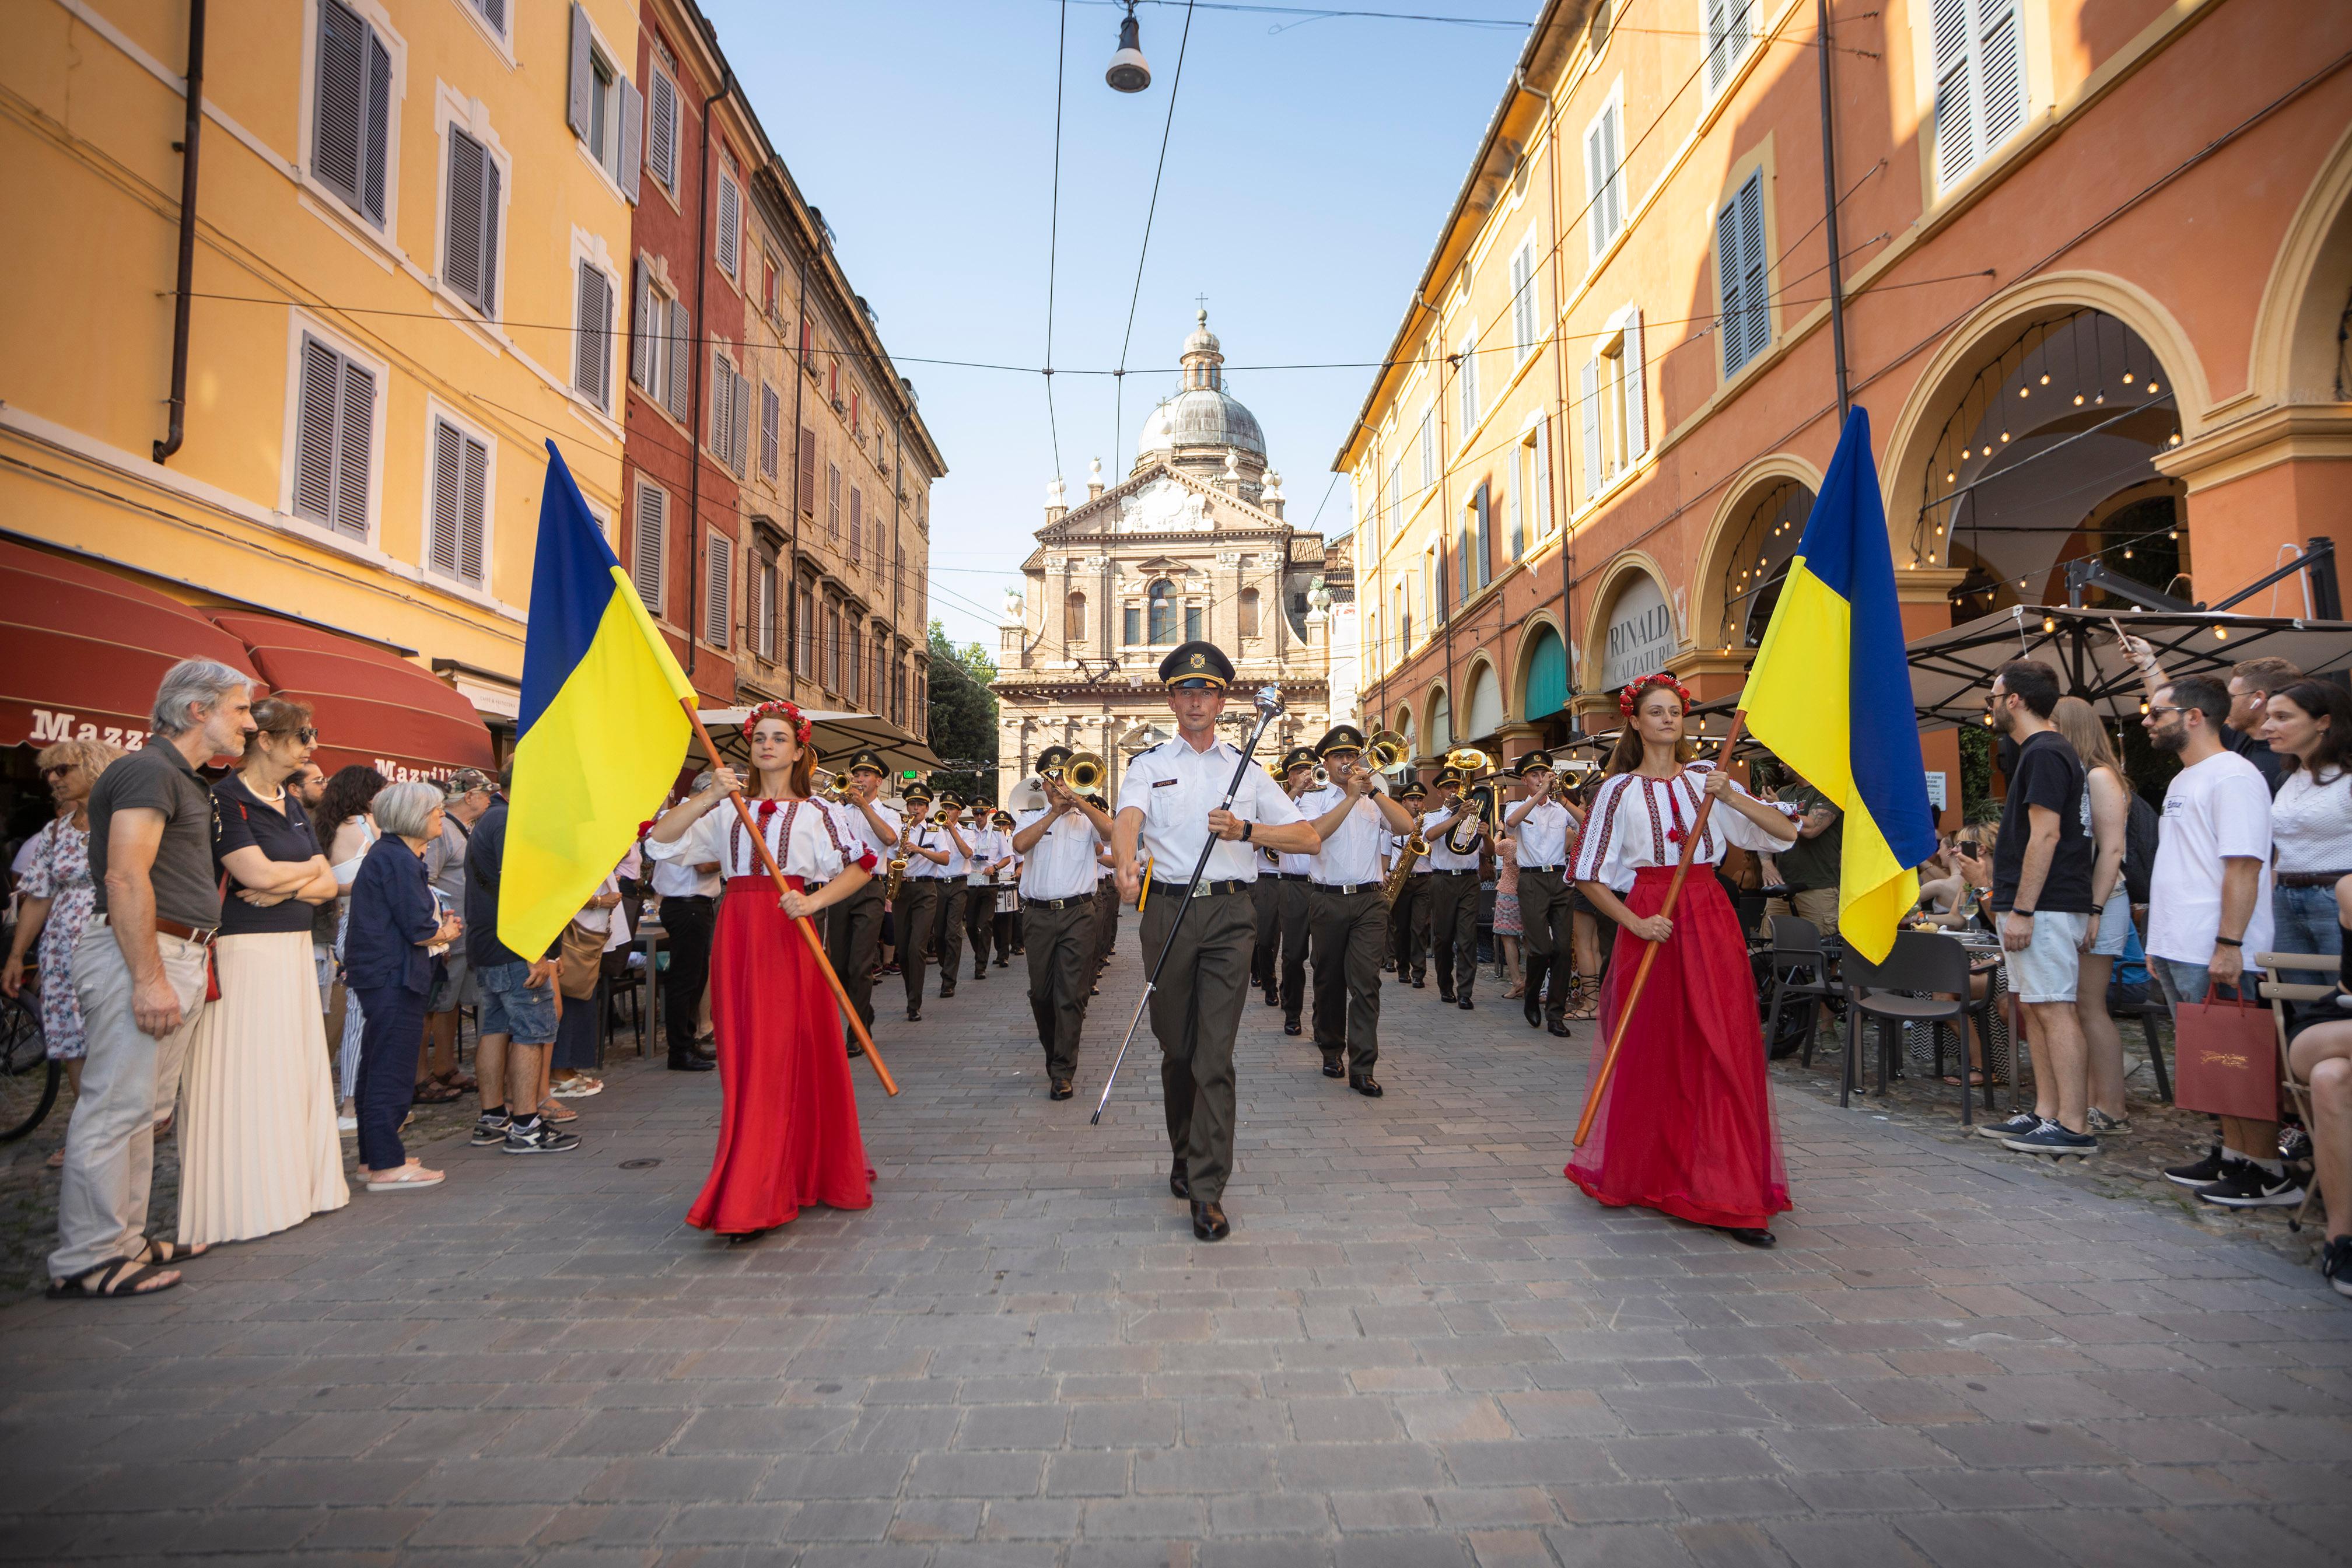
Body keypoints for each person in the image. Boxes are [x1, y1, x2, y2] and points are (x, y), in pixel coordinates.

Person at [1566, 673, 1800, 1247]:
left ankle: (1728, 1190)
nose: (1669, 719)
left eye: (1675, 711)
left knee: (1722, 1045)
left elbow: (1784, 833)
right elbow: (1587, 875)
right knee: (1656, 1049)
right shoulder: (1616, 792)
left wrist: (1732, 796)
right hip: (1650, 919)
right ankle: (1657, 1175)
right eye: (1657, 711)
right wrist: (1635, 923)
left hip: (1709, 915)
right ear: (1635, 721)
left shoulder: (1707, 780)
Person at [48, 659, 254, 1298]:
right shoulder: (148, 771)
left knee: (141, 1112)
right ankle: (88, 1259)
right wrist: (148, 978)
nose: (250, 723)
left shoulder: (177, 777)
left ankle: (125, 1242)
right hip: (143, 952)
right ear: (198, 710)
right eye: (241, 708)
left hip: (171, 951)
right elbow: (124, 875)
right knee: (115, 1110)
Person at [645, 700, 878, 1239]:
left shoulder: (820, 812)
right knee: (743, 1060)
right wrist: (709, 795)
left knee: (778, 1057)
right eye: (759, 739)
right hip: (737, 933)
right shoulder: (728, 809)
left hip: (789, 933)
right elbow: (658, 842)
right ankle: (768, 1175)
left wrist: (813, 902)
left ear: (798, 752)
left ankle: (756, 1191)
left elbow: (863, 867)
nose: (767, 746)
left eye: (779, 738)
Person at [1112, 642, 1317, 1241]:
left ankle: (1207, 1188)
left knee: (1213, 1055)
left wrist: (1247, 829)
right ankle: (1184, 1151)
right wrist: (1125, 862)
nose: (1196, 701)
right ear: (1172, 700)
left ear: (1222, 702)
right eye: (1185, 691)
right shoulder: (1148, 763)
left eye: (1206, 692)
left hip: (1230, 914)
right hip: (1166, 911)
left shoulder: (1247, 770)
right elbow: (1128, 818)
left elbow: (1307, 838)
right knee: (1177, 1049)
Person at [180, 697, 350, 1238]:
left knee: (292, 1072)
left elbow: (328, 882)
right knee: (253, 1076)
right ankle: (253, 1198)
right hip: (246, 954)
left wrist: (286, 887)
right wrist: (302, 877)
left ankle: (297, 1189)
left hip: (293, 950)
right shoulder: (225, 799)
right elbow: (253, 872)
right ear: (267, 740)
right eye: (304, 735)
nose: (312, 746)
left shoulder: (291, 803)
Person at [2136, 674, 2293, 1206]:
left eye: (2157, 713)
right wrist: (2158, 941)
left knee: (2239, 1058)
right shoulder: (2186, 778)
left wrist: (2230, 943)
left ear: (2194, 717)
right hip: (2180, 941)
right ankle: (2232, 1152)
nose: (2147, 721)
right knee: (2213, 1056)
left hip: (2218, 943)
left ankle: (2266, 1168)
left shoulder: (2234, 776)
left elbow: (2245, 865)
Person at [1973, 660, 2103, 1158]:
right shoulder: (2041, 751)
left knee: (2054, 1007)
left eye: (1993, 697)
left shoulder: (2046, 751)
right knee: (2037, 1006)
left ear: (2014, 700)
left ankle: (2073, 1123)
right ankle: (2048, 1112)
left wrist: (2024, 909)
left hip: (2044, 903)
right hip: (2036, 902)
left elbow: (2046, 835)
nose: (1989, 706)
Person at [4, 739, 124, 1169]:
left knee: (112, 1039)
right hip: (60, 950)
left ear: (95, 768)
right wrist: (17, 956)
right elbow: (39, 896)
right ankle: (88, 1135)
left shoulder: (124, 823)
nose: (53, 779)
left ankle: (121, 1132)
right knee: (72, 1041)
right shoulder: (56, 832)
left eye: (63, 769)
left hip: (112, 939)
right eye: (49, 772)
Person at [344, 782, 464, 1193]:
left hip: (386, 973)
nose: (441, 815)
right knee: (391, 1069)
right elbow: (418, 928)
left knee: (379, 1066)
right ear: (413, 815)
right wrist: (446, 932)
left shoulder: (394, 855)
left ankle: (375, 1156)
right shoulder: (397, 858)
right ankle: (385, 1164)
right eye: (435, 810)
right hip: (392, 975)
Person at [463, 765, 580, 1154]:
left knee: (496, 1027)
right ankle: (526, 1125)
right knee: (532, 1030)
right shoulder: (507, 820)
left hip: (491, 941)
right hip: (515, 945)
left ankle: (493, 1116)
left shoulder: (492, 817)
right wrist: (538, 952)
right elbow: (519, 886)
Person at [1297, 725, 1416, 1094]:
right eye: (1339, 757)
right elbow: (1314, 836)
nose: (1347, 762)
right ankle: (1331, 1049)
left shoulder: (1373, 796)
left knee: (1366, 983)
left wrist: (1373, 791)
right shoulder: (1315, 798)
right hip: (1327, 898)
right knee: (1329, 980)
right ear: (1327, 761)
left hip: (1369, 901)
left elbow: (1407, 826)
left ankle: (1363, 1067)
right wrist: (1350, 797)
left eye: (1352, 755)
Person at [2049, 697, 2134, 1130]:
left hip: (2103, 900)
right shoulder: (2081, 774)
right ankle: (2089, 1103)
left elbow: (2113, 850)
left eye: (2053, 723)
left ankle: (2113, 1106)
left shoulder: (2100, 776)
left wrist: (2096, 909)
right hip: (2086, 900)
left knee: (2089, 1006)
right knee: (2079, 1006)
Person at [1012, 749, 1116, 1100]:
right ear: (1043, 784)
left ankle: (1062, 1070)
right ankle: (1055, 1055)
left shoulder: (1087, 817)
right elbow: (1019, 845)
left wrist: (1080, 802)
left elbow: (1112, 833)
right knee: (1042, 995)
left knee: (1071, 994)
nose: (1058, 785)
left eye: (1063, 778)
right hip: (1038, 915)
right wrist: (1054, 814)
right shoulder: (1030, 817)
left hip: (1078, 914)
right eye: (1052, 779)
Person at [2119, 636, 2299, 794]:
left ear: (2257, 699)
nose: (2226, 702)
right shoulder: (2235, 737)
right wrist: (2147, 664)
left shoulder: (2295, 756)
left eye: (2232, 697)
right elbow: (2172, 706)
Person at [2285, 874, 2352, 1298]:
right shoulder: (2349, 887)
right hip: (2334, 1024)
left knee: (2331, 1079)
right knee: (2323, 1068)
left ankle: (2338, 1238)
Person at [418, 769, 494, 1100]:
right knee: (433, 1006)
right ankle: (420, 1077)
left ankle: (445, 1067)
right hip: (448, 937)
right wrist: (439, 935)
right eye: (486, 793)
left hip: (464, 935)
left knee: (450, 1005)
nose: (490, 799)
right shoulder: (442, 832)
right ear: (470, 796)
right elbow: (427, 883)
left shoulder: (463, 828)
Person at [822, 752, 901, 1056]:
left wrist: (863, 806)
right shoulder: (837, 809)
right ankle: (864, 1013)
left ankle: (856, 1032)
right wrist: (834, 803)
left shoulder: (888, 813)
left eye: (866, 775)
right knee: (840, 966)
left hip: (870, 887)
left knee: (860, 964)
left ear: (879, 781)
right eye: (856, 774)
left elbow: (890, 839)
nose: (859, 780)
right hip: (839, 887)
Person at [1502, 751, 1579, 1036]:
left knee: (1562, 949)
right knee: (1540, 949)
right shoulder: (1517, 806)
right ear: (1525, 780)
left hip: (1560, 877)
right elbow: (1512, 824)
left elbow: (1589, 824)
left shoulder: (1561, 808)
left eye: (1544, 774)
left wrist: (1564, 800)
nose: (1540, 779)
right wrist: (1540, 795)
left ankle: (1556, 1014)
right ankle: (1532, 995)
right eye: (1534, 775)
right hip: (1532, 879)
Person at [650, 773, 722, 1072]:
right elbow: (703, 865)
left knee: (697, 976)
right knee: (685, 978)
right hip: (686, 904)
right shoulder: (685, 817)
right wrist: (735, 858)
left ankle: (688, 1040)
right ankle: (679, 1048)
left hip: (695, 904)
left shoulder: (692, 816)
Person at [1254, 748, 1318, 1034]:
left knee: (1323, 959)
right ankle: (1291, 1011)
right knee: (1290, 954)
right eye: (1298, 772)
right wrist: (1295, 793)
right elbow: (1265, 831)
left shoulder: (1325, 798)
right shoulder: (1280, 802)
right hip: (1289, 884)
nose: (1305, 775)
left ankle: (1321, 1021)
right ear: (1289, 777)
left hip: (1322, 885)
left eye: (1309, 770)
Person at [1420, 769, 1486, 1009]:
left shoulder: (1474, 816)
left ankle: (1465, 992)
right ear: (1440, 792)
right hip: (1443, 880)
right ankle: (1445, 986)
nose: (1453, 791)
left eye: (1456, 786)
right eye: (1448, 787)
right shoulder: (1434, 816)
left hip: (1469, 880)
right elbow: (1430, 835)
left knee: (1467, 937)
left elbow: (1487, 850)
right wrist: (1458, 816)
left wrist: (1487, 835)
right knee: (1444, 937)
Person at [1758, 769, 1844, 942]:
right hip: (1781, 887)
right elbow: (1764, 830)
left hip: (1818, 888)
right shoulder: (1783, 793)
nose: (1780, 764)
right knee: (1769, 946)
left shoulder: (1828, 791)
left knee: (1821, 949)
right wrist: (1767, 864)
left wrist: (1780, 807)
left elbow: (1812, 829)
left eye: (1785, 760)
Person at [894, 785, 943, 1020]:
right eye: (912, 804)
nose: (915, 809)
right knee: (903, 951)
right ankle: (910, 994)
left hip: (925, 890)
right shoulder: (898, 829)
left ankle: (915, 1003)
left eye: (920, 805)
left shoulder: (935, 831)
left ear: (926, 808)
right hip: (902, 890)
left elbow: (945, 858)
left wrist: (920, 850)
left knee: (917, 947)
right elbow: (888, 858)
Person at [1388, 780, 1431, 985]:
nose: (1416, 803)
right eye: (1412, 799)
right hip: (1401, 880)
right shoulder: (1392, 822)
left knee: (1419, 927)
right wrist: (1385, 872)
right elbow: (1385, 850)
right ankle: (1403, 968)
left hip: (1424, 879)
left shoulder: (1428, 822)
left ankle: (1419, 973)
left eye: (1419, 800)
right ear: (1403, 802)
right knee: (1401, 928)